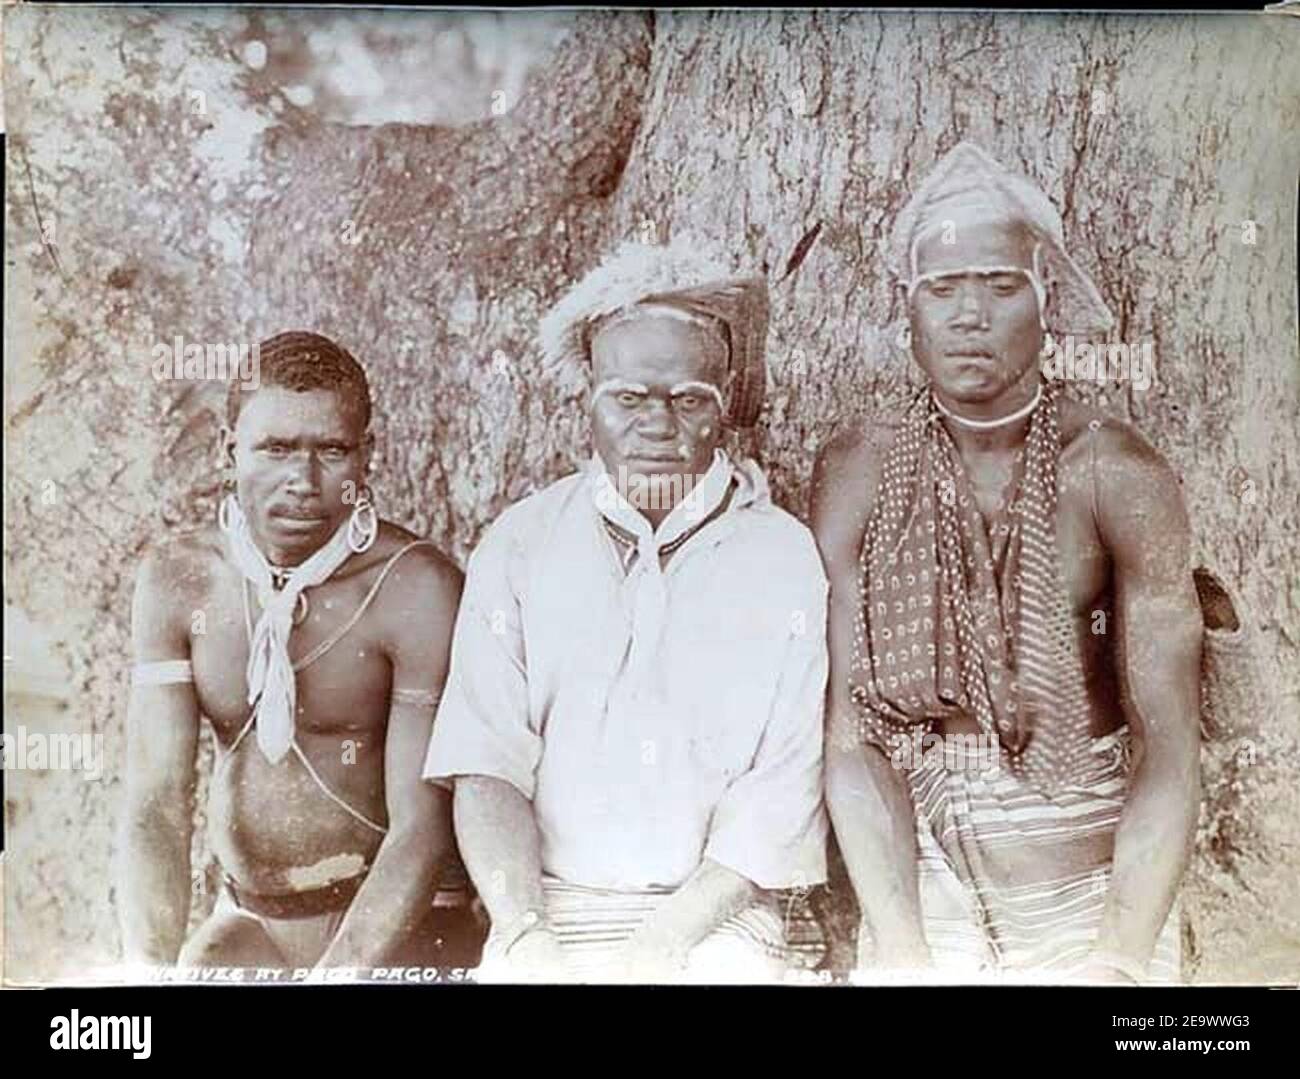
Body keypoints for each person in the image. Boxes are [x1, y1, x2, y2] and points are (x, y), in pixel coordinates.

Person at [813, 143, 1201, 984]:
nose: (968, 314)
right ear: (908, 308)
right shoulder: (857, 471)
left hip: (1083, 839)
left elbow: (1168, 747)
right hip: (919, 841)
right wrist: (904, 949)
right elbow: (852, 736)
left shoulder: (1113, 469)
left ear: (1045, 298)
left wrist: (1122, 956)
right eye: (942, 288)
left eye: (997, 284)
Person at [424, 239, 828, 983]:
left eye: (688, 399)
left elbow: (782, 782)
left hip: (717, 917)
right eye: (628, 398)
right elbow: (486, 766)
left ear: (725, 403)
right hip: (549, 911)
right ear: (589, 401)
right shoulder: (520, 544)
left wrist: (665, 940)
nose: (658, 423)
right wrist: (524, 934)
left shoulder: (782, 557)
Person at [119, 331, 479, 975]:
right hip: (252, 922)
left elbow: (421, 830)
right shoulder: (180, 577)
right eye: (276, 449)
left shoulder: (417, 587)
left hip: (408, 925)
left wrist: (337, 977)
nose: (304, 482)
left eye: (331, 451)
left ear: (367, 455)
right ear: (228, 451)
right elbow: (155, 800)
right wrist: (144, 967)